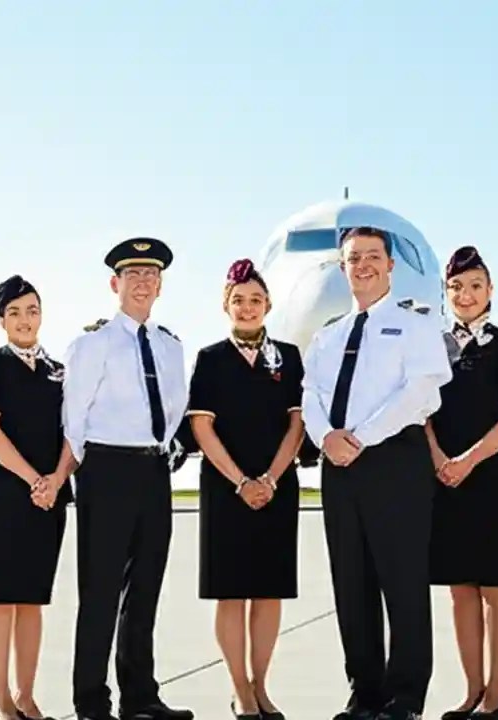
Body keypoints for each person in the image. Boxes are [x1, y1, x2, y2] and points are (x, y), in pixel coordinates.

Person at [301, 226, 452, 720]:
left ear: (390, 266)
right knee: (352, 582)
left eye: (372, 256)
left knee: (402, 580)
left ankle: (404, 698)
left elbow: (421, 390)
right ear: (342, 268)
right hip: (339, 465)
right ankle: (363, 693)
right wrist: (326, 437)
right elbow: (312, 397)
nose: (362, 265)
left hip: (393, 459)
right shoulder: (328, 336)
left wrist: (360, 436)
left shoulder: (416, 325)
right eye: (353, 258)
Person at [61, 237, 193, 720]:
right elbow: (74, 416)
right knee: (98, 591)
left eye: (151, 274)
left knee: (145, 590)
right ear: (115, 284)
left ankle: (141, 696)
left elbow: (175, 408)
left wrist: (167, 448)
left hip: (153, 471)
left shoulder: (171, 346)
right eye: (132, 274)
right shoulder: (92, 344)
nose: (143, 282)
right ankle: (91, 700)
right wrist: (72, 472)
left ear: (160, 284)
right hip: (106, 469)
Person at [186, 258, 306, 719]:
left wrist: (271, 479)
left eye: (256, 299)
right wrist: (240, 482)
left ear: (268, 305)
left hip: (277, 486)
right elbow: (202, 426)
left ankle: (261, 684)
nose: (248, 307)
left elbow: (297, 423)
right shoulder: (211, 359)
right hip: (225, 489)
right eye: (239, 300)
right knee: (231, 592)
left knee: (269, 590)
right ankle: (240, 688)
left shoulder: (289, 357)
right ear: (226, 305)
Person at [425, 246, 498, 720]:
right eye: (456, 287)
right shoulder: (434, 345)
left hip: (496, 481)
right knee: (460, 589)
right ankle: (472, 690)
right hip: (446, 480)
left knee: (497, 588)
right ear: (445, 293)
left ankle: (497, 692)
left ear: (490, 291)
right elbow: (422, 410)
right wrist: (439, 460)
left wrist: (467, 460)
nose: (465, 295)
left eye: (474, 286)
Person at [0, 275, 75, 720]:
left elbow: (74, 432)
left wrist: (56, 478)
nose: (24, 319)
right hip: (6, 493)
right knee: (3, 597)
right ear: (1, 320)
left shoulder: (59, 371)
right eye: (14, 312)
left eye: (31, 310)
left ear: (42, 315)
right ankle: (1, 700)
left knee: (33, 599)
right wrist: (35, 480)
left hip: (50, 495)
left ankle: (26, 696)